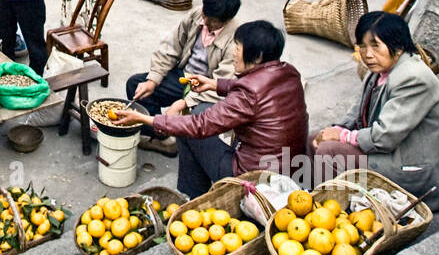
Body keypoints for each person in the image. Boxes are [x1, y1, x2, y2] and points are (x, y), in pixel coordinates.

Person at [117, 21, 308, 196]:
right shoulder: (289, 73)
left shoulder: (248, 93)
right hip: (290, 167)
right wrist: (214, 84)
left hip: (252, 178)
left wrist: (144, 119)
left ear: (257, 57)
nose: (233, 53)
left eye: (238, 48)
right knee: (198, 118)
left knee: (189, 131)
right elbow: (255, 88)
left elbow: (200, 125)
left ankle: (195, 197)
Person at [310, 12, 439, 209]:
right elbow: (356, 113)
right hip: (388, 150)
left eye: (375, 46)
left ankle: (330, 209)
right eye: (362, 46)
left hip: (407, 165)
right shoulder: (380, 72)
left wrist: (341, 136)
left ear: (397, 47)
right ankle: (313, 194)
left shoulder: (413, 78)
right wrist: (334, 130)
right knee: (314, 137)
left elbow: (384, 137)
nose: (368, 54)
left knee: (330, 151)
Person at [124, 0, 242, 156]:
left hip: (208, 88)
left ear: (226, 20)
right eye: (204, 14)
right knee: (136, 85)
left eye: (212, 20)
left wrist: (183, 103)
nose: (205, 21)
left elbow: (221, 85)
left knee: (197, 114)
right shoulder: (198, 15)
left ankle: (191, 148)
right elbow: (171, 46)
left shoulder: (236, 38)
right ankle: (163, 138)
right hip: (184, 77)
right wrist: (153, 80)